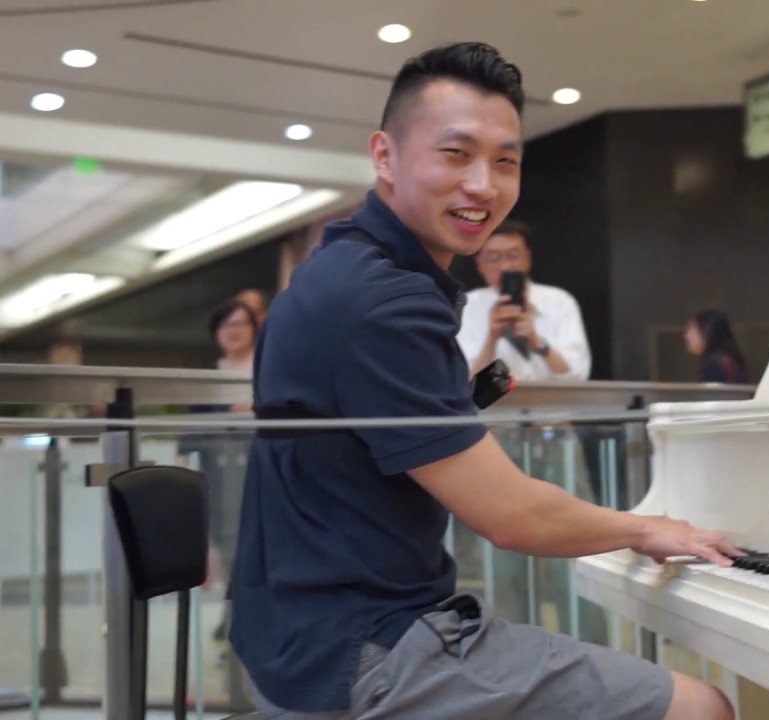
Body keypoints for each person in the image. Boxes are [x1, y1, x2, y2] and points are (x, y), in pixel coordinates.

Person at [228, 42, 737, 720]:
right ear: (385, 155)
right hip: (367, 647)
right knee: (700, 706)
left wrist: (486, 377)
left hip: (295, 634)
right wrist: (642, 527)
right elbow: (511, 516)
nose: (483, 186)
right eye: (455, 153)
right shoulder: (389, 301)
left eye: (505, 161)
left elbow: (400, 417)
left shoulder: (336, 272)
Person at [457, 220, 591, 381]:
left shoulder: (559, 301)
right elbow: (465, 383)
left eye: (513, 256)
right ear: (479, 265)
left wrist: (537, 341)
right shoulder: (467, 306)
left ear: (528, 258)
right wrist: (492, 338)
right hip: (495, 406)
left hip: (554, 405)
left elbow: (578, 375)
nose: (505, 267)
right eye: (493, 259)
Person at [684, 310, 749, 384]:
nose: (687, 336)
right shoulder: (728, 359)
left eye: (693, 329)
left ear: (707, 330)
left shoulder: (714, 363)